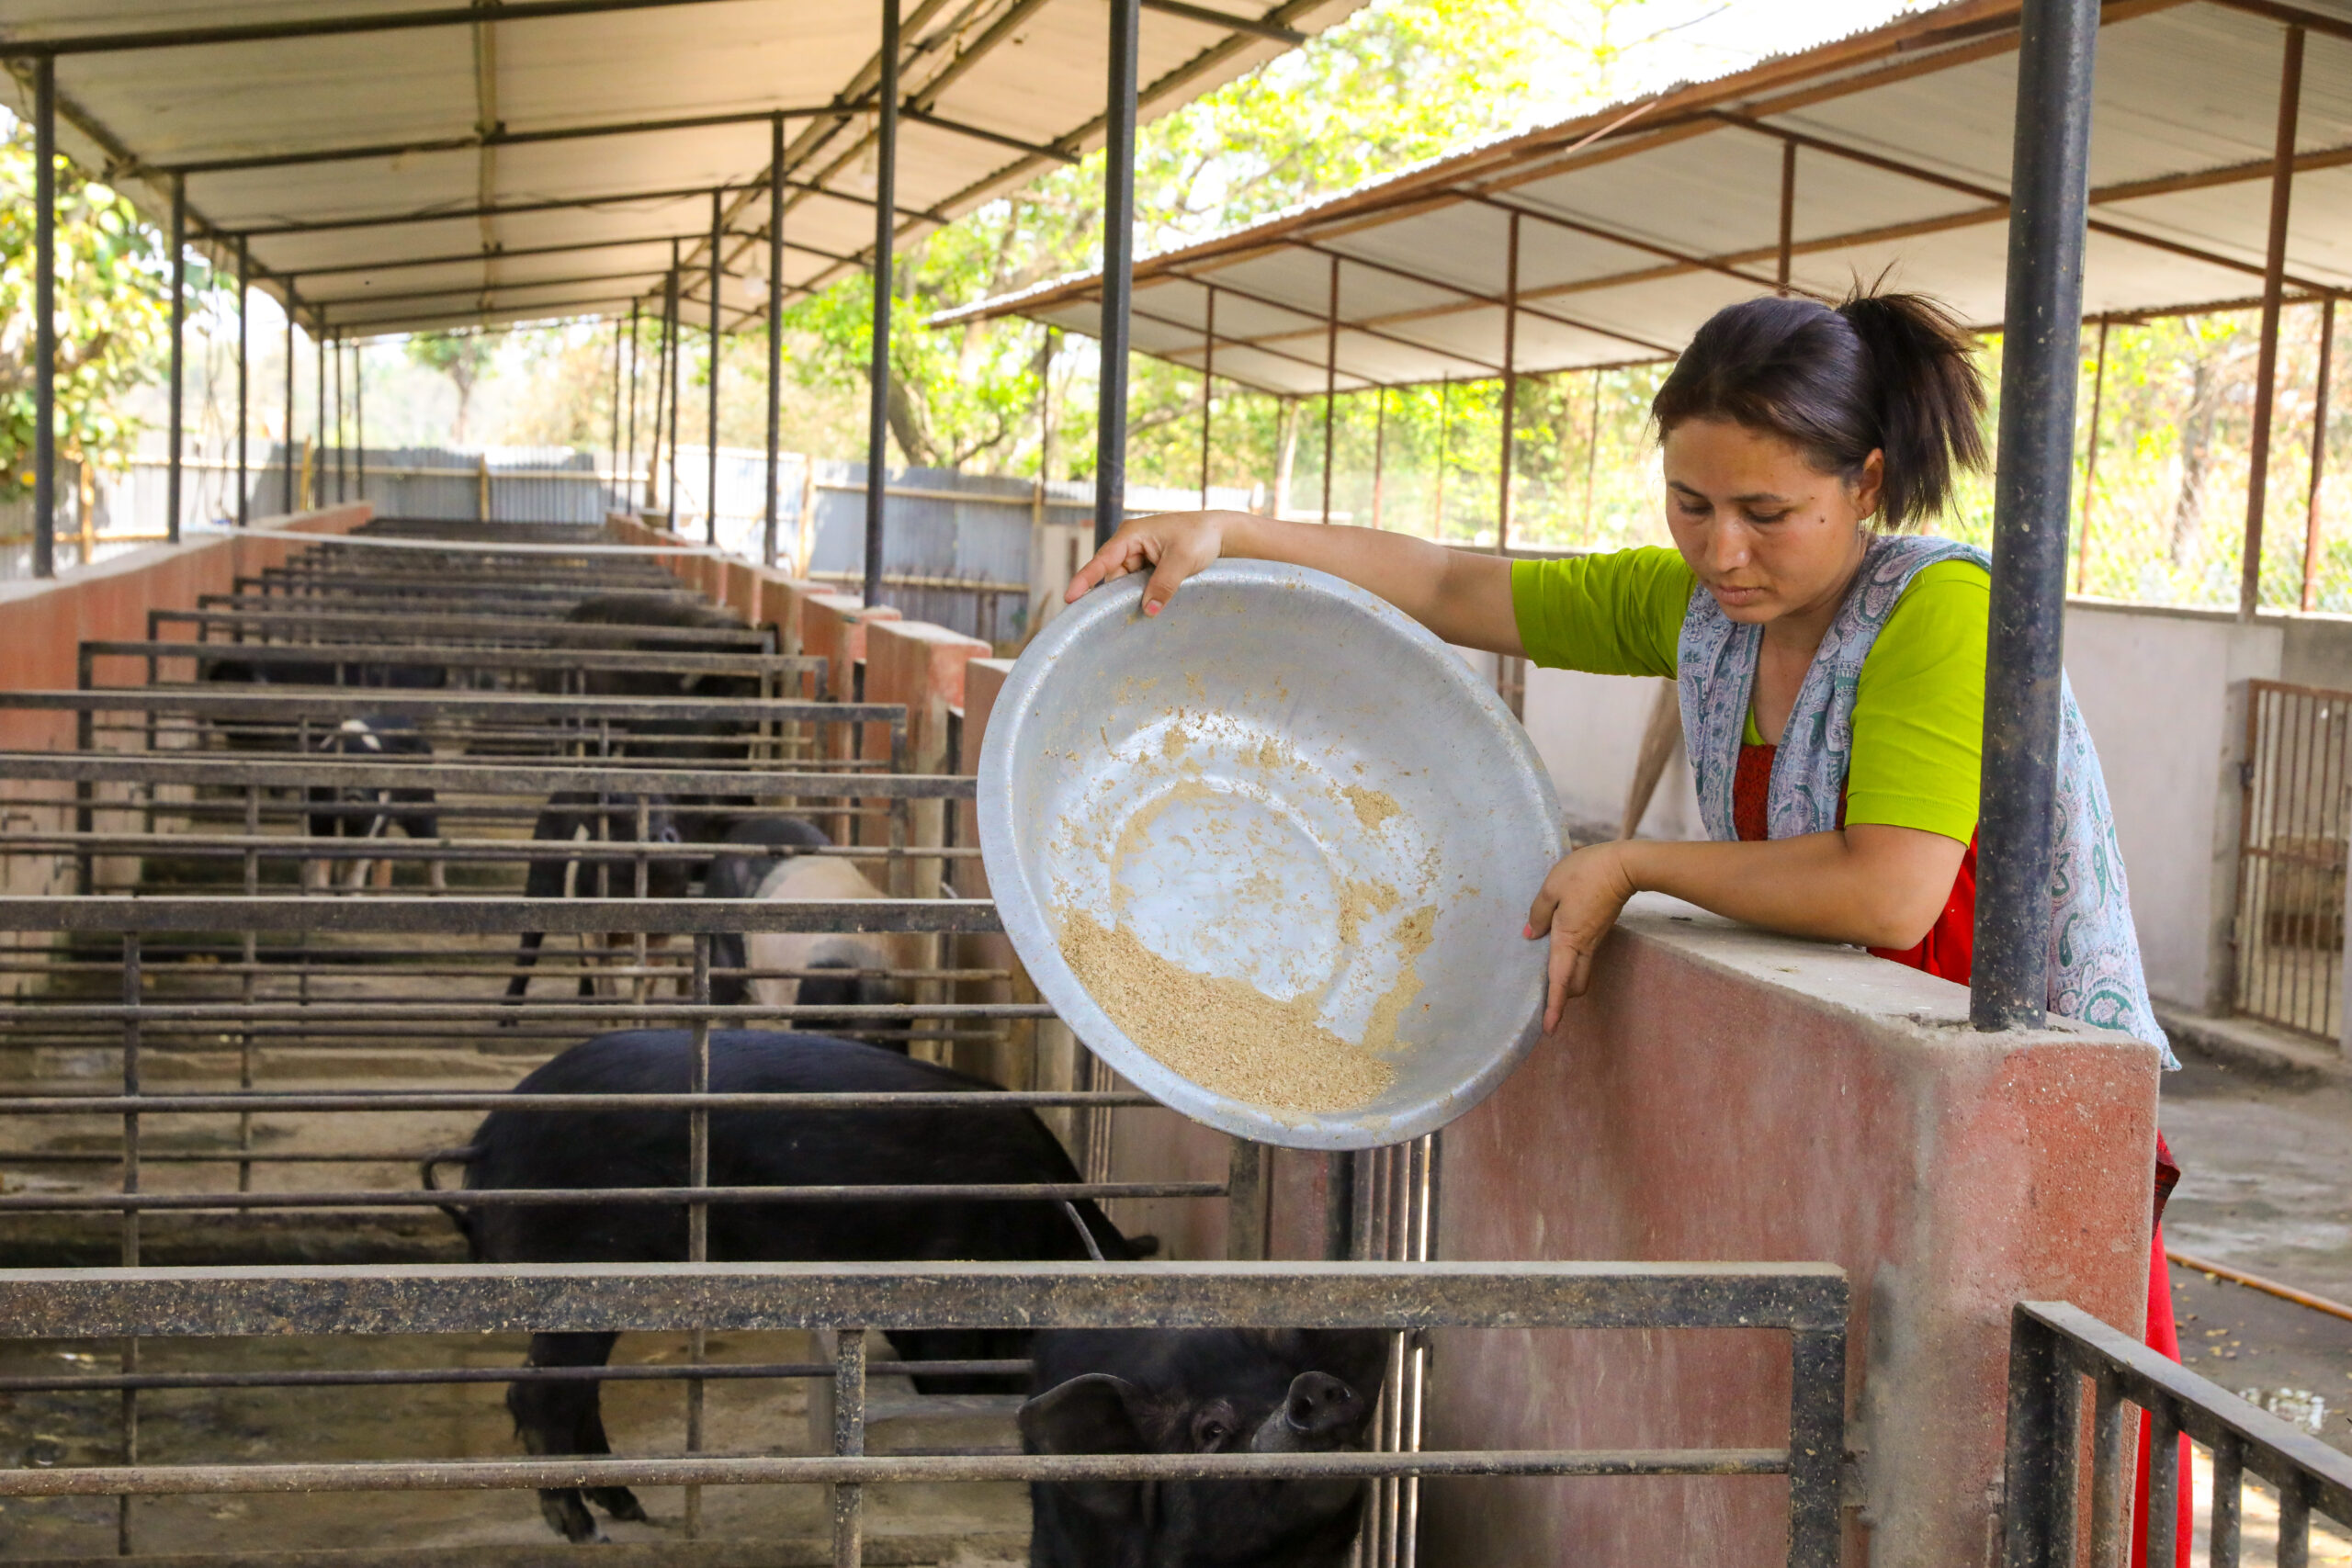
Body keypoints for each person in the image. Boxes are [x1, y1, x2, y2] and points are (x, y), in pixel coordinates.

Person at [1068, 286, 2185, 1564]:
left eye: (1769, 515)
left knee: (2059, 1467)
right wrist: (1225, 530)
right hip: (1852, 1091)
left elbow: (1890, 889)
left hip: (2011, 1100)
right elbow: (1449, 582)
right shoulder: (1705, 615)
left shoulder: (1940, 611)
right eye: (1691, 504)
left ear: (1866, 483)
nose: (1722, 551)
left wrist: (1638, 863)